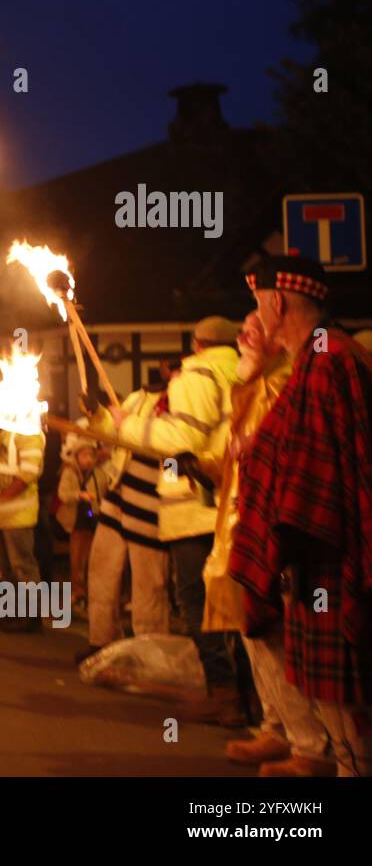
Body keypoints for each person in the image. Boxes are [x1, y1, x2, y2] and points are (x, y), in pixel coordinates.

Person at [231, 256, 372, 777]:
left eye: (258, 304)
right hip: (312, 551)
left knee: (346, 700)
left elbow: (327, 472)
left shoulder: (329, 357)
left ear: (277, 301)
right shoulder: (317, 356)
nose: (255, 316)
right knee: (331, 697)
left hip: (327, 553)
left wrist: (286, 540)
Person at [202, 311, 334, 776]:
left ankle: (310, 745)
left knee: (272, 634)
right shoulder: (252, 388)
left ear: (275, 343)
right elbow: (231, 461)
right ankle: (276, 727)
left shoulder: (281, 389)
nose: (241, 338)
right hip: (240, 530)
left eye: (252, 331)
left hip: (264, 532)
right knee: (252, 632)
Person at [111, 315, 248, 726]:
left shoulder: (197, 374)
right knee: (232, 606)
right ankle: (248, 697)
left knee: (197, 603)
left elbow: (182, 438)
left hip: (193, 509)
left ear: (197, 344)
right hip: (227, 505)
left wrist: (128, 425)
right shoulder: (242, 372)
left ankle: (223, 693)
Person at [79, 382, 169, 663]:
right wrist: (97, 414)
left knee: (147, 579)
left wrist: (170, 488)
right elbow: (111, 430)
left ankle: (151, 652)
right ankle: (102, 639)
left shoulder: (177, 397)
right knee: (101, 566)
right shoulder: (138, 397)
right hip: (118, 492)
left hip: (150, 498)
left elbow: (174, 444)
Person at [0, 422, 47, 633]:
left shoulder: (28, 431)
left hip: (17, 513)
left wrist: (5, 496)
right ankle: (11, 611)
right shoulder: (3, 429)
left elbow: (29, 472)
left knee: (22, 566)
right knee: (5, 567)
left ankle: (31, 616)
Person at [56, 436, 110, 618]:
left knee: (92, 559)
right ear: (77, 456)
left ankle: (90, 593)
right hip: (76, 520)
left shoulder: (98, 473)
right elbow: (63, 494)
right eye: (84, 455)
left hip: (93, 519)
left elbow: (105, 489)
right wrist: (79, 495)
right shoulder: (70, 472)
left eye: (91, 455)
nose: (88, 459)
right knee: (77, 558)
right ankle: (77, 593)